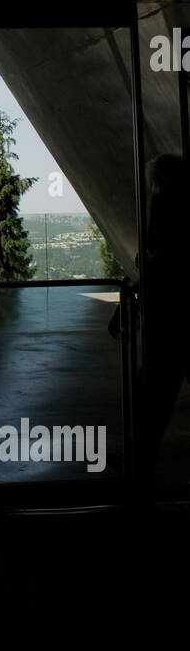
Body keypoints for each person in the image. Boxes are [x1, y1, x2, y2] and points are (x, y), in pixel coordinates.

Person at [142, 154, 190, 459]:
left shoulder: (163, 204)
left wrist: (146, 264)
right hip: (183, 303)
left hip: (168, 305)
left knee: (155, 386)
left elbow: (164, 248)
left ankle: (142, 456)